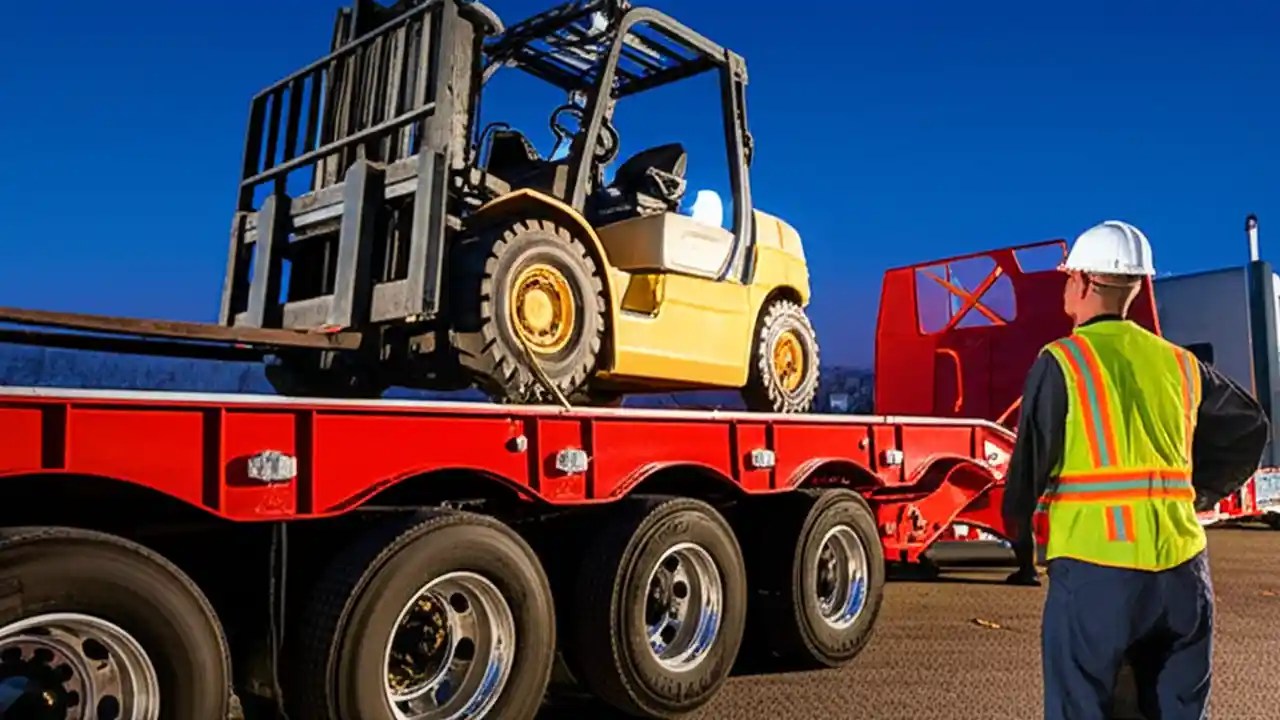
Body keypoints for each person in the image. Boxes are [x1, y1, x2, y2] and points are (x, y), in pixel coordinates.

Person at [1000, 220, 1270, 720]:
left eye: (1068, 277)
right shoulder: (1181, 364)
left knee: (1082, 707)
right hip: (1184, 574)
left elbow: (1025, 477)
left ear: (1083, 282)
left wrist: (1023, 552)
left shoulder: (1063, 362)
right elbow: (1250, 427)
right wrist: (1198, 492)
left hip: (1096, 575)